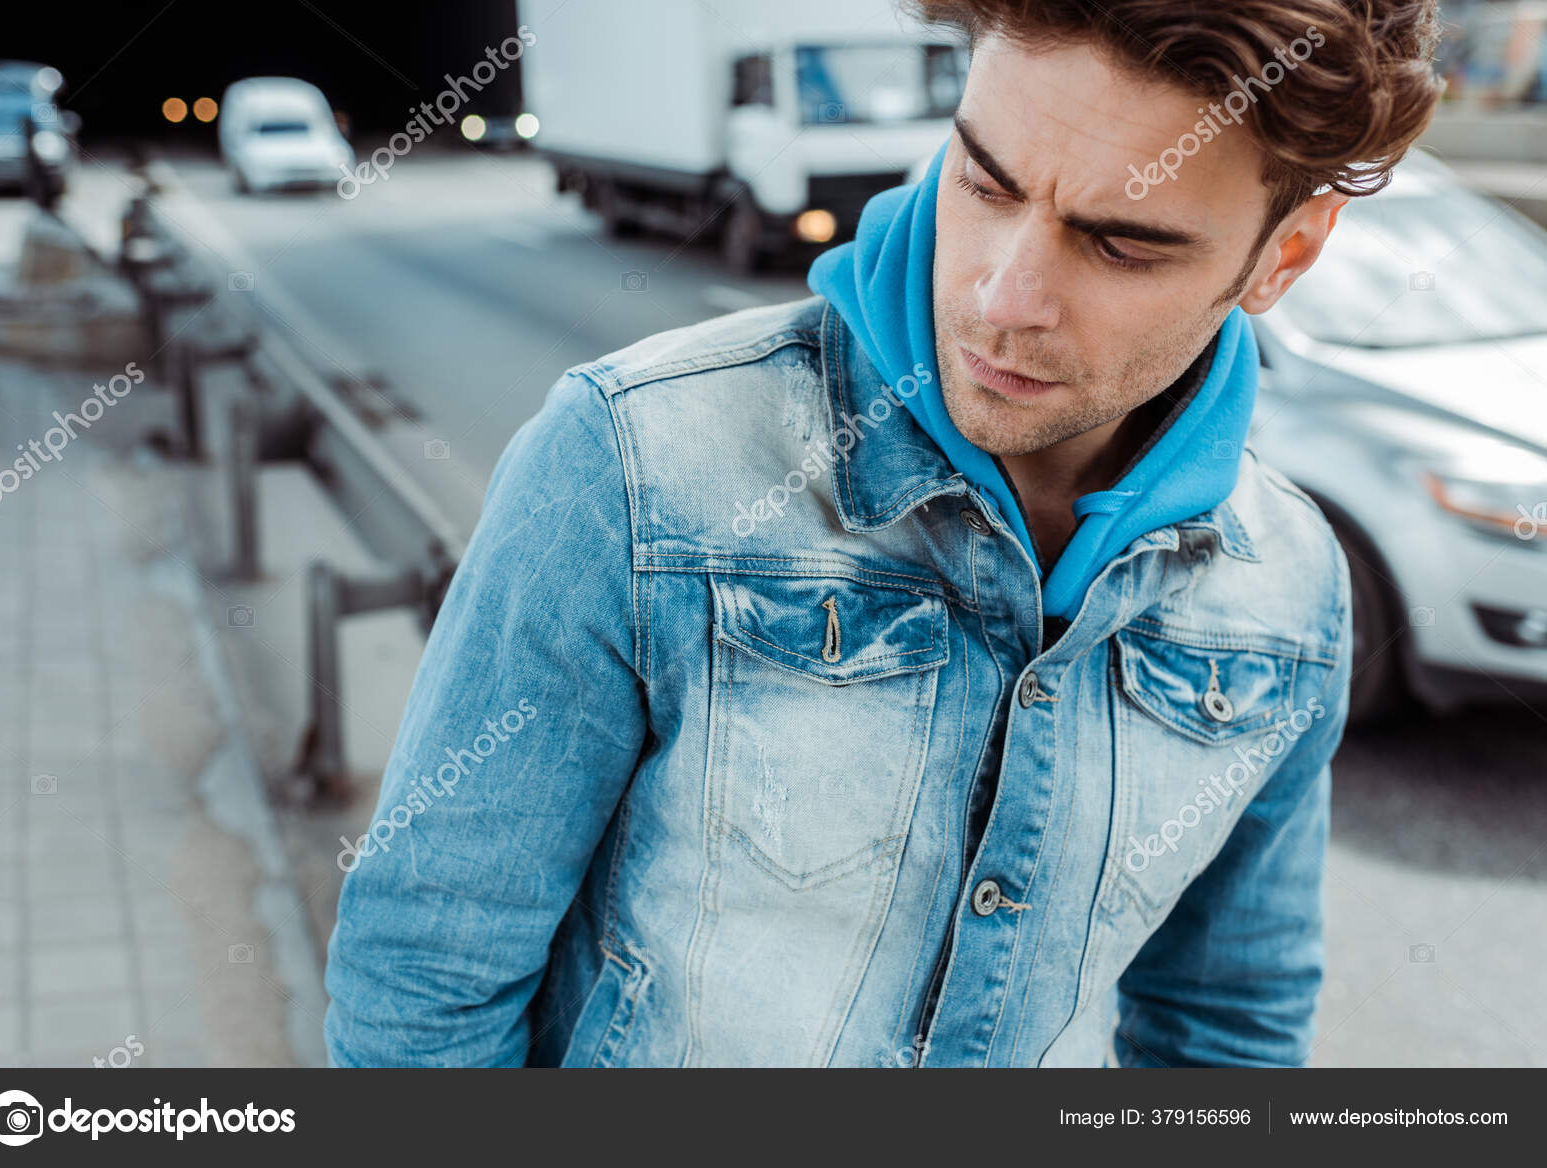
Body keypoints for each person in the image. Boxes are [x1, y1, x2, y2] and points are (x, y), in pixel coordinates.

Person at [323, 0, 1443, 1067]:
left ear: (1284, 255)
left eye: (1119, 245)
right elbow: (425, 978)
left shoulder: (1290, 592)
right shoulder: (634, 457)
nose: (1003, 295)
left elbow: (1226, 1029)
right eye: (984, 180)